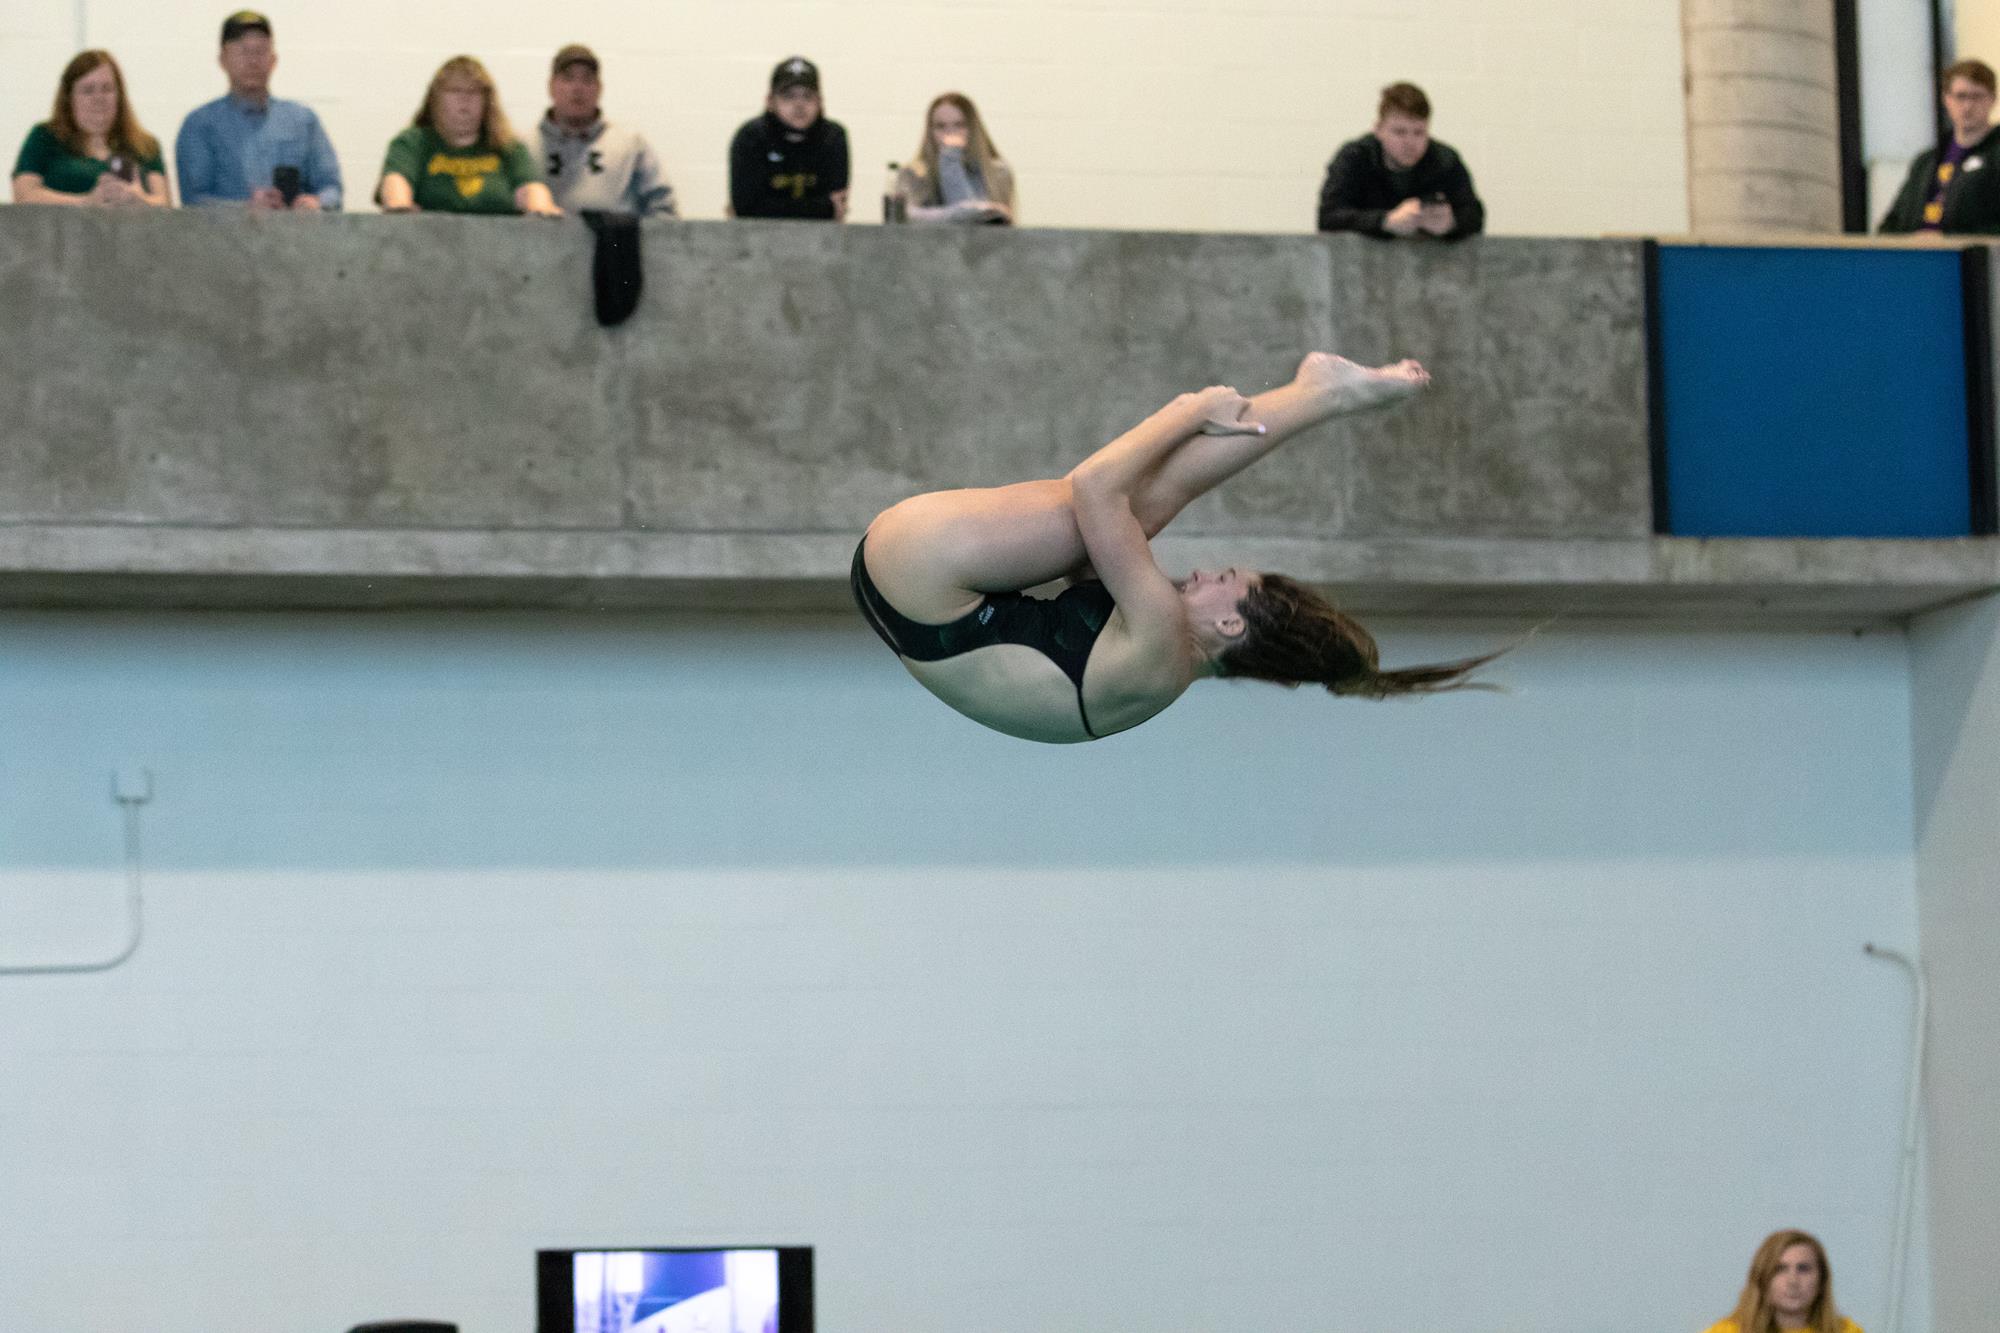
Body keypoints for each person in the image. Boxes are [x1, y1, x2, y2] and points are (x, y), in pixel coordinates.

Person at [853, 353, 1500, 743]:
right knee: (1145, 508)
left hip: (921, 563)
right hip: (906, 594)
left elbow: (1094, 484)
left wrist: (1188, 411)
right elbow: (1092, 553)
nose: (1201, 571)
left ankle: (1322, 393)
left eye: (1224, 577)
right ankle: (1321, 392)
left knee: (1122, 501)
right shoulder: (1161, 670)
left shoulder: (1163, 636)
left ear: (1230, 622)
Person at [174, 10, 342, 211]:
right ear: (223, 60)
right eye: (243, 51)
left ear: (273, 60)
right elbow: (193, 201)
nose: (252, 61)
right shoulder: (200, 126)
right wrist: (245, 208)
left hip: (296, 237)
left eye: (260, 51)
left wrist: (316, 203)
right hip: (225, 240)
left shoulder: (303, 121)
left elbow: (332, 188)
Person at [378, 55, 559, 216]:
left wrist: (540, 208)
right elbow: (396, 183)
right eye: (455, 91)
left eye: (474, 92)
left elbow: (530, 188)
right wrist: (399, 205)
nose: (464, 99)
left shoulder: (508, 146)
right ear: (435, 99)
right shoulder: (413, 142)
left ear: (487, 101)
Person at [1317, 81, 1484, 240]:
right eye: (1399, 132)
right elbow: (1328, 218)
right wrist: (1384, 221)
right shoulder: (1354, 157)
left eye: (1419, 133)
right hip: (1361, 265)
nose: (1410, 143)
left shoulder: (1445, 161)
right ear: (1378, 130)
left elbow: (1475, 216)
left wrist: (1451, 224)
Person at [11, 50, 170, 207]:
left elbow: (165, 204)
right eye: (88, 90)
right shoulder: (44, 137)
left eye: (107, 89)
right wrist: (86, 202)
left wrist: (139, 199)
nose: (98, 98)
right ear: (69, 98)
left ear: (119, 96)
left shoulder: (145, 145)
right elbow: (24, 195)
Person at [538, 44, 677, 217]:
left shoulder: (630, 146)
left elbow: (663, 208)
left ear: (599, 88)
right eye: (568, 78)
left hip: (615, 243)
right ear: (551, 86)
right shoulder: (524, 148)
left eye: (587, 80)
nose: (577, 88)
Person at [1879, 58, 2000, 234]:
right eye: (1961, 96)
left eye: (1977, 97)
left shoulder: (1995, 156)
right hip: (1917, 256)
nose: (1967, 106)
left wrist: (1948, 239)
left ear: (1993, 99)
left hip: (1971, 258)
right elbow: (1893, 223)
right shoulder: (1926, 162)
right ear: (1947, 99)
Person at [728, 56, 850, 220]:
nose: (799, 104)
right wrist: (819, 207)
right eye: (789, 96)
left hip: (821, 240)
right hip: (757, 239)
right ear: (770, 101)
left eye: (807, 96)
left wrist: (772, 206)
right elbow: (746, 208)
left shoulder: (832, 137)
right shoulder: (751, 137)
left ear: (820, 102)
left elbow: (836, 209)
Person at [1703, 1230, 1862, 1333]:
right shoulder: (1726, 1331)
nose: (1793, 1281)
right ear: (1761, 1278)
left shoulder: (1847, 1331)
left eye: (1803, 1268)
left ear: (1822, 1280)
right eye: (1779, 1269)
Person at [895, 92, 1014, 224]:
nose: (950, 134)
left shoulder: (996, 172)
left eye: (959, 125)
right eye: (940, 126)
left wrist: (950, 160)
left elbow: (973, 225)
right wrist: (976, 211)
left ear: (973, 129)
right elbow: (904, 217)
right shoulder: (913, 173)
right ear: (930, 132)